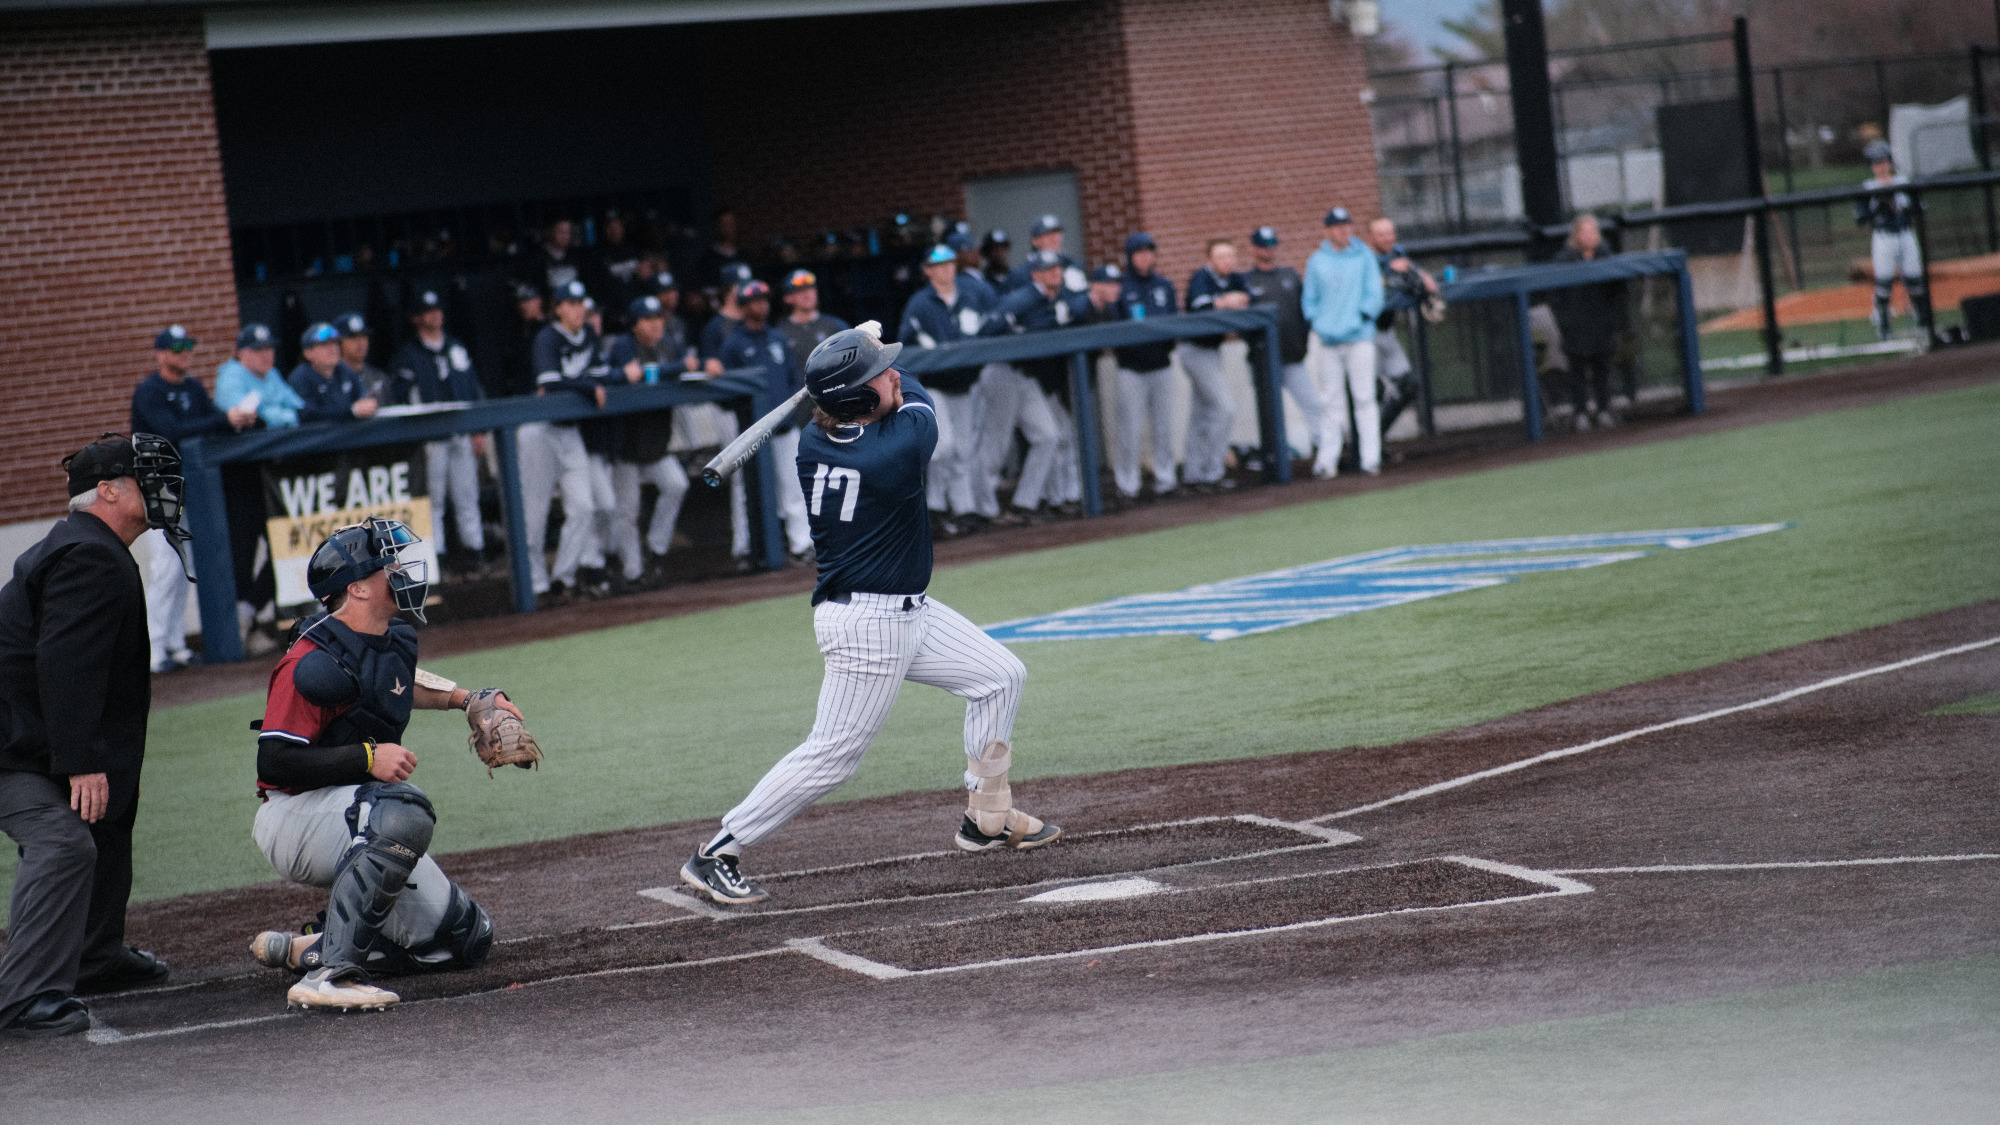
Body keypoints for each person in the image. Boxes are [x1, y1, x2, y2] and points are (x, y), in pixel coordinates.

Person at [680, 324, 1059, 906]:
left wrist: (856, 356)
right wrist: (865, 350)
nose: (893, 375)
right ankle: (717, 851)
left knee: (1000, 676)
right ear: (858, 397)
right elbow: (916, 392)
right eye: (880, 373)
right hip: (868, 629)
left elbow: (873, 396)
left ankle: (987, 816)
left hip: (908, 612)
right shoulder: (899, 446)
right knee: (832, 757)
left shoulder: (816, 440)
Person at [245, 517, 524, 1011]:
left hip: (356, 815)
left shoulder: (389, 637)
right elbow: (275, 760)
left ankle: (310, 949)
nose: (400, 571)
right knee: (403, 810)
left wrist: (467, 700)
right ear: (356, 588)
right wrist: (368, 756)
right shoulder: (311, 663)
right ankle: (331, 976)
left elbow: (392, 679)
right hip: (293, 818)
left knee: (461, 938)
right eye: (387, 566)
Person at [0, 434, 182, 1037]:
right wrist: (79, 761)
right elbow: (65, 662)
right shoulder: (89, 555)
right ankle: (24, 997)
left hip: (22, 735)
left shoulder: (89, 546)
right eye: (144, 478)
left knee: (105, 817)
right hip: (8, 746)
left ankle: (94, 957)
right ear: (107, 492)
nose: (161, 489)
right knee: (63, 843)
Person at [130, 326, 259, 667]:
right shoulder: (149, 390)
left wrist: (234, 419)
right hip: (158, 484)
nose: (185, 352)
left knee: (184, 565)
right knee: (166, 567)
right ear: (161, 354)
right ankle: (154, 648)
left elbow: (211, 420)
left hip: (191, 486)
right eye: (177, 348)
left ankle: (176, 646)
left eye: (187, 346)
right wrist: (221, 419)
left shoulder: (193, 387)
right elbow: (170, 431)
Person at [979, 248, 1088, 519]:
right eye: (1048, 270)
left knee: (1048, 436)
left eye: (1057, 268)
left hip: (1027, 377)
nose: (1055, 273)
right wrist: (1016, 334)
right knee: (996, 445)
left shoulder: (1059, 299)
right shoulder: (1022, 299)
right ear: (1036, 274)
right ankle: (982, 508)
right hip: (1002, 371)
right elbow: (986, 330)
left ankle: (1024, 504)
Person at [388, 290, 488, 567]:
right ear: (416, 318)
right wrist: (417, 439)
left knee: (467, 496)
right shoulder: (408, 355)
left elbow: (473, 387)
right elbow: (403, 399)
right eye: (428, 311)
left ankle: (475, 552)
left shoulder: (455, 347)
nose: (435, 315)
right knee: (433, 501)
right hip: (430, 437)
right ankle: (437, 557)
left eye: (437, 310)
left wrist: (478, 429)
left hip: (461, 431)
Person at [524, 279, 611, 599]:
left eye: (581, 304)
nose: (578, 310)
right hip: (539, 430)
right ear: (558, 308)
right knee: (534, 514)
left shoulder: (588, 334)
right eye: (571, 304)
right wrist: (586, 386)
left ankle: (564, 578)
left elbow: (602, 375)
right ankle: (536, 584)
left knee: (584, 507)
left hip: (569, 429)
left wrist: (587, 383)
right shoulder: (547, 337)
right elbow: (549, 381)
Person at [716, 280, 814, 559]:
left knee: (793, 485)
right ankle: (745, 547)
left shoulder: (777, 338)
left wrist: (790, 412)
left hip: (784, 427)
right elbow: (724, 393)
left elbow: (794, 378)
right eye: (755, 301)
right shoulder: (733, 344)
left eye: (764, 300)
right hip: (750, 430)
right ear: (743, 307)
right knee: (745, 491)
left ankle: (800, 545)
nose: (762, 305)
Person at [601, 294, 692, 584]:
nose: (655, 325)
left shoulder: (668, 345)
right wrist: (675, 368)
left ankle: (655, 550)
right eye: (647, 319)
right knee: (627, 511)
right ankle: (634, 572)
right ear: (634, 325)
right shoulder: (623, 346)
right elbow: (632, 375)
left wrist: (679, 367)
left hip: (655, 442)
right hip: (625, 444)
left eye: (658, 318)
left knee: (676, 485)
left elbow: (689, 365)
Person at [899, 244, 991, 525]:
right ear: (928, 271)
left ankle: (964, 508)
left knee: (964, 448)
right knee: (943, 446)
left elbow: (986, 331)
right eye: (939, 265)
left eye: (950, 263)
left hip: (965, 383)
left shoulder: (969, 296)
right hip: (933, 385)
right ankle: (936, 505)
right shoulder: (920, 302)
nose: (947, 269)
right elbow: (906, 343)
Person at [1302, 208, 1385, 477]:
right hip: (1328, 341)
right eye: (1337, 226)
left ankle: (1370, 459)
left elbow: (1374, 295)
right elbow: (1309, 299)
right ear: (1327, 230)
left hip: (1359, 339)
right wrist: (1320, 324)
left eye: (1346, 225)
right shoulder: (1317, 260)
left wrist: (1360, 319)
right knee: (1330, 401)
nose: (1343, 230)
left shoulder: (1364, 256)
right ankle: (1328, 461)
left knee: (1365, 398)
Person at [1240, 226, 1323, 468]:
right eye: (1263, 246)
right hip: (1264, 360)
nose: (1269, 250)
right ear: (1254, 249)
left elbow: (1304, 312)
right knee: (1270, 413)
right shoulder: (1246, 281)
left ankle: (1327, 450)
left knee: (1312, 405)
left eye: (1272, 245)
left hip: (1293, 357)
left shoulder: (1290, 276)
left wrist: (1303, 342)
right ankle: (1275, 458)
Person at [1109, 232, 1183, 499]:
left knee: (1163, 427)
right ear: (1130, 256)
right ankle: (1127, 484)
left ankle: (1165, 477)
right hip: (1131, 369)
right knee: (1129, 429)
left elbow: (1174, 320)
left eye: (1149, 251)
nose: (1145, 257)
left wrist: (1165, 347)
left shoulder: (1164, 285)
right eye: (1139, 252)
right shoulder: (1121, 286)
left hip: (1161, 365)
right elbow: (1114, 327)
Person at [1546, 214, 1628, 431]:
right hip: (1576, 327)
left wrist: (1613, 320)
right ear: (1576, 235)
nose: (1590, 236)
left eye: (1593, 231)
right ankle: (1580, 413)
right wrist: (1566, 321)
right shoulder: (1564, 260)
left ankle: (1604, 409)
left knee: (1602, 370)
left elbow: (1619, 293)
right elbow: (1556, 296)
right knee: (1577, 372)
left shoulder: (1606, 257)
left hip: (1602, 325)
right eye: (1585, 232)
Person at [1181, 238, 1251, 490]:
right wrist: (1225, 302)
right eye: (1221, 256)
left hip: (1213, 351)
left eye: (1230, 255)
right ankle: (1213, 470)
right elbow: (1200, 306)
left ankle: (1194, 473)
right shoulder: (1201, 277)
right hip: (1194, 349)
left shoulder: (1235, 278)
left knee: (1200, 414)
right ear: (1210, 260)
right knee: (1224, 409)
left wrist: (1233, 299)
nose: (1227, 261)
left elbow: (1248, 298)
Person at [1855, 138, 1935, 344]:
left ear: (1890, 163)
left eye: (1884, 162)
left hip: (1905, 234)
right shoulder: (1868, 188)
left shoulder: (1903, 183)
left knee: (1915, 279)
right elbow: (1861, 217)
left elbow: (1919, 209)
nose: (1881, 166)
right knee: (1884, 282)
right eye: (1876, 163)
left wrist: (1905, 210)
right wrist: (1877, 211)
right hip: (1884, 237)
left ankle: (1924, 321)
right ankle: (1883, 325)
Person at [1364, 218, 1437, 435]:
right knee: (1371, 391)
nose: (1387, 238)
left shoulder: (1397, 253)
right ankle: (1360, 443)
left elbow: (1414, 274)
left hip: (1386, 332)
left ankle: (1376, 438)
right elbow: (1369, 286)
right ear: (1371, 237)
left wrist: (1424, 277)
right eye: (1381, 234)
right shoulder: (1365, 259)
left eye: (1390, 233)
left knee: (1409, 385)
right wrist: (1390, 271)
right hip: (1365, 335)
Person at [215, 323, 305, 430]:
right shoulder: (231, 378)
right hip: (250, 438)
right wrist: (290, 417)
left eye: (269, 348)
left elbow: (298, 406)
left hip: (281, 435)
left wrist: (289, 416)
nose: (266, 355)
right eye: (258, 350)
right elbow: (251, 419)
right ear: (241, 353)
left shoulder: (271, 373)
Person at [288, 322, 380, 423]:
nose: (333, 348)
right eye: (324, 344)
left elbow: (361, 395)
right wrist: (351, 412)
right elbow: (307, 415)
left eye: (335, 343)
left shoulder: (343, 369)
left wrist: (367, 404)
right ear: (308, 353)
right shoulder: (300, 378)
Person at [1005, 214, 1088, 294]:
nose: (1054, 238)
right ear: (1035, 241)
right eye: (1048, 234)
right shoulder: (1023, 273)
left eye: (1057, 233)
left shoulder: (1072, 264)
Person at [334, 313, 391, 403]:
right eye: (353, 337)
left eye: (364, 336)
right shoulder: (332, 379)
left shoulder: (378, 378)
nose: (360, 342)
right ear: (338, 342)